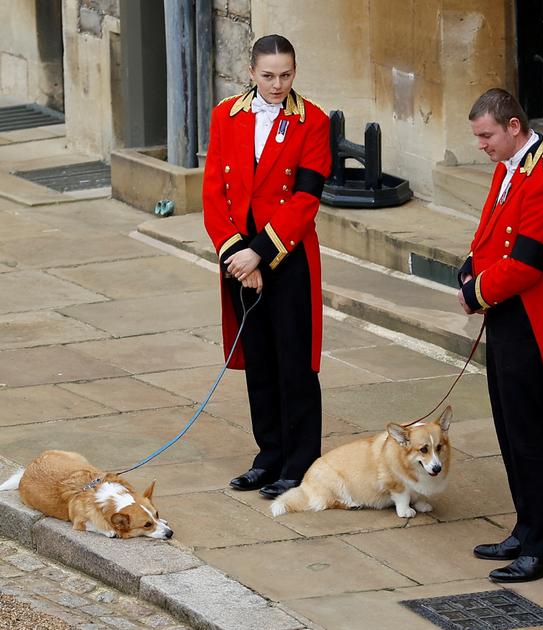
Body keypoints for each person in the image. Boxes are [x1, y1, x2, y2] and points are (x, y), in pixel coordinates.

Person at [202, 34, 331, 499]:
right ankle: (269, 455)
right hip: (239, 257)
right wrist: (239, 256)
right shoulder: (225, 116)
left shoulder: (313, 121)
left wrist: (261, 252)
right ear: (251, 73)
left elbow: (306, 198)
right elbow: (214, 192)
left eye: (287, 75)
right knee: (258, 358)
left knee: (294, 362)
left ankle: (302, 462)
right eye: (269, 75)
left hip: (288, 255)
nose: (278, 85)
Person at [456, 88, 543, 583]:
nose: (481, 145)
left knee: (530, 436)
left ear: (512, 125)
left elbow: (527, 264)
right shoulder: (511, 167)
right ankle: (526, 529)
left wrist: (474, 292)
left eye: (486, 135)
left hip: (530, 319)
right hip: (506, 313)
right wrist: (468, 270)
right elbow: (490, 238)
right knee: (508, 428)